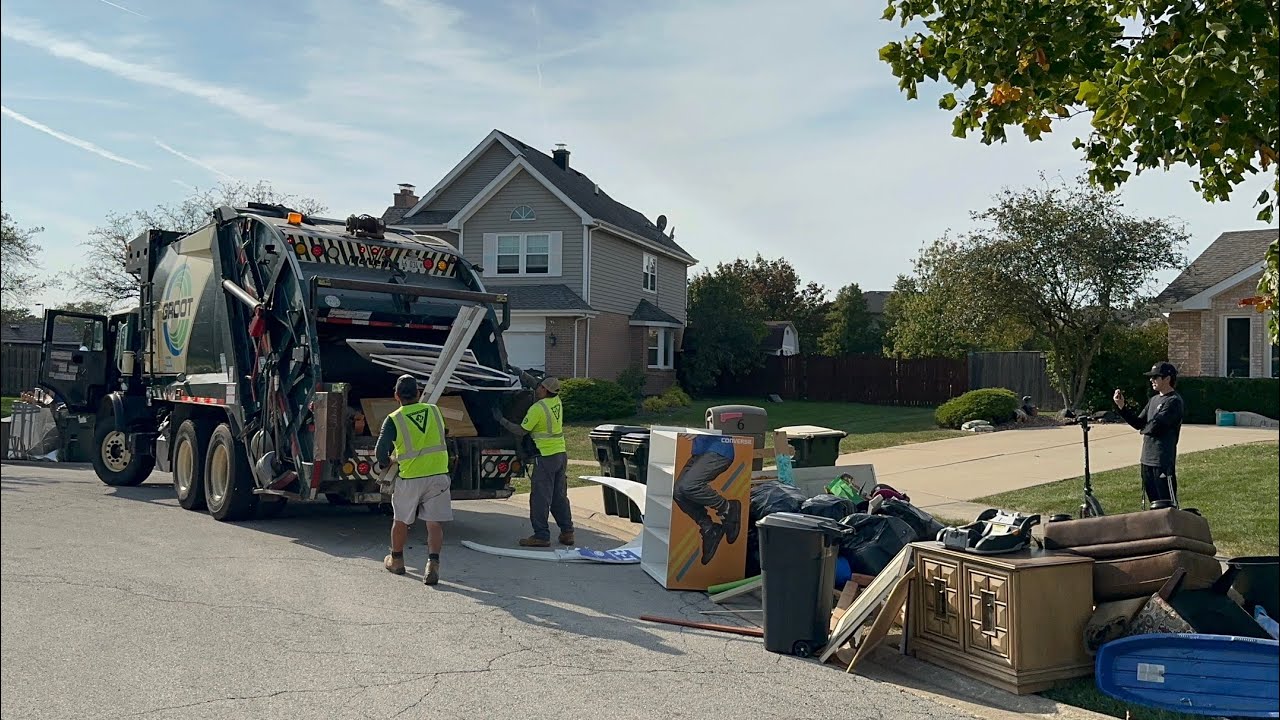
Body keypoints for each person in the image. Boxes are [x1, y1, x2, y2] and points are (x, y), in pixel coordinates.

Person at [376, 374, 452, 585]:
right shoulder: (434, 410)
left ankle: (397, 560)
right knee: (434, 523)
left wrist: (387, 463)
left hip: (410, 477)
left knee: (400, 520)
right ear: (418, 394)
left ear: (396, 396)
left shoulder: (394, 418)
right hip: (438, 474)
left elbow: (380, 450)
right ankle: (432, 564)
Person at [495, 376, 574, 547]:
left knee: (540, 497)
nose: (536, 388)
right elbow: (534, 384)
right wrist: (520, 373)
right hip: (560, 454)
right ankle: (567, 532)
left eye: (539, 387)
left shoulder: (537, 409)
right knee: (558, 496)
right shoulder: (556, 402)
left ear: (545, 390)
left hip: (545, 457)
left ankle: (541, 535)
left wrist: (501, 420)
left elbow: (520, 431)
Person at [1113, 361, 1184, 507]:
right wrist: (1122, 407)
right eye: (1151, 377)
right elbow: (1139, 423)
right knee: (1154, 504)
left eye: (1156, 377)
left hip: (1162, 460)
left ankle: (1174, 530)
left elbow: (1157, 426)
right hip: (1146, 459)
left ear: (1167, 379)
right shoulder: (1153, 400)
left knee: (1168, 504)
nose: (1151, 380)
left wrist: (1145, 429)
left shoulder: (1174, 401)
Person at [673, 434, 742, 565]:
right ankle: (710, 529)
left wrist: (699, 431)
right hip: (700, 452)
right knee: (678, 493)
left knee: (689, 486)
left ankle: (727, 507)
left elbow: (724, 419)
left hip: (719, 449)